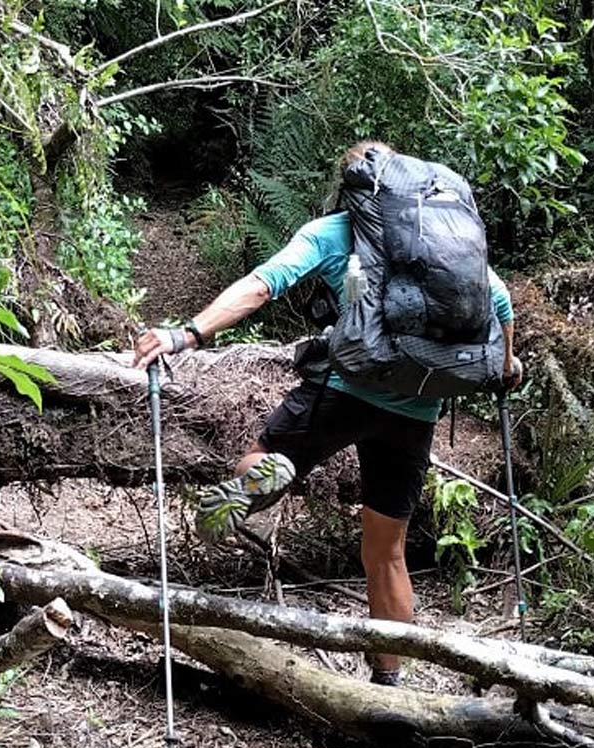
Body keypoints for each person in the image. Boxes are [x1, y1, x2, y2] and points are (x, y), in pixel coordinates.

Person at [132, 141, 521, 686]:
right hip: (416, 411)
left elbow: (263, 285)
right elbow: (499, 304)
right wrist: (507, 364)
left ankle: (261, 485)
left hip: (341, 390)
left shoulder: (334, 232)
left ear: (351, 186)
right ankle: (389, 679)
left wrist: (189, 332)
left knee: (266, 457)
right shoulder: (445, 240)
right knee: (386, 553)